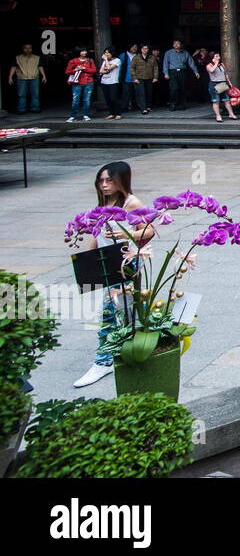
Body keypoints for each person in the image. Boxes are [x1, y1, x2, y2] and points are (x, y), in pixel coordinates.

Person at [73, 161, 157, 388]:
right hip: (107, 261)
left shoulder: (132, 202)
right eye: (101, 180)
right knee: (124, 309)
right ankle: (127, 350)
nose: (104, 185)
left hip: (125, 261)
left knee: (113, 310)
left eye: (109, 180)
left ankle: (104, 360)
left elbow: (149, 229)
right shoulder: (105, 202)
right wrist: (87, 260)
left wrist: (124, 235)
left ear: (121, 179)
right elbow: (96, 232)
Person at [9, 43, 46, 114]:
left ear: (32, 49)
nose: (28, 49)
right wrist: (10, 77)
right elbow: (13, 67)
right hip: (22, 78)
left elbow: (40, 66)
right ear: (23, 49)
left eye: (29, 48)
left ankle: (35, 108)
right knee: (21, 95)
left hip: (34, 78)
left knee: (35, 94)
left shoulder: (37, 57)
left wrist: (44, 76)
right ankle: (21, 109)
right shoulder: (18, 57)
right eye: (26, 48)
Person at [162, 40, 198, 110]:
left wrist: (196, 72)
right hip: (172, 72)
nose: (176, 45)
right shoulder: (168, 53)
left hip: (182, 72)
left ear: (181, 45)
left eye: (177, 44)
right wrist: (166, 73)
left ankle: (182, 105)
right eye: (174, 43)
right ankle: (173, 104)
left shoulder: (185, 53)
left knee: (183, 88)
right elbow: (165, 63)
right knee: (174, 89)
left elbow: (191, 62)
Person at [65, 48, 97, 122]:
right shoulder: (73, 61)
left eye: (85, 51)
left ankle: (85, 115)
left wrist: (84, 68)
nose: (85, 52)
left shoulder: (90, 60)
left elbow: (94, 70)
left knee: (87, 99)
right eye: (82, 51)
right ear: (78, 52)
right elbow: (67, 72)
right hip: (77, 82)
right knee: (75, 99)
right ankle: (73, 116)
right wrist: (75, 70)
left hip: (89, 81)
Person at [205, 52, 238, 122]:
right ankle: (218, 115)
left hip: (223, 84)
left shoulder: (222, 64)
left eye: (218, 56)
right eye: (216, 56)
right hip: (214, 85)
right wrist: (216, 63)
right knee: (216, 101)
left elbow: (225, 74)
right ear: (212, 58)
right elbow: (211, 70)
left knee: (227, 100)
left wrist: (229, 83)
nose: (218, 57)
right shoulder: (209, 65)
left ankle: (231, 114)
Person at [131, 43, 158, 114]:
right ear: (141, 49)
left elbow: (155, 68)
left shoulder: (152, 57)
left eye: (146, 49)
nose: (145, 50)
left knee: (149, 92)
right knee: (141, 93)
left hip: (149, 77)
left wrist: (155, 77)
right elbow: (132, 68)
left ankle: (148, 106)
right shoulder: (136, 57)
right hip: (139, 77)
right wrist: (134, 78)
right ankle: (143, 108)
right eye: (143, 48)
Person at [98, 48, 123, 120]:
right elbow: (100, 71)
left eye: (108, 53)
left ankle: (118, 113)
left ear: (112, 53)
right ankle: (111, 113)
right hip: (104, 82)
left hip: (113, 82)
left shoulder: (117, 60)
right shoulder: (104, 62)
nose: (106, 54)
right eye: (105, 52)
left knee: (114, 98)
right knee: (107, 98)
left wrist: (105, 61)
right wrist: (106, 69)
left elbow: (109, 68)